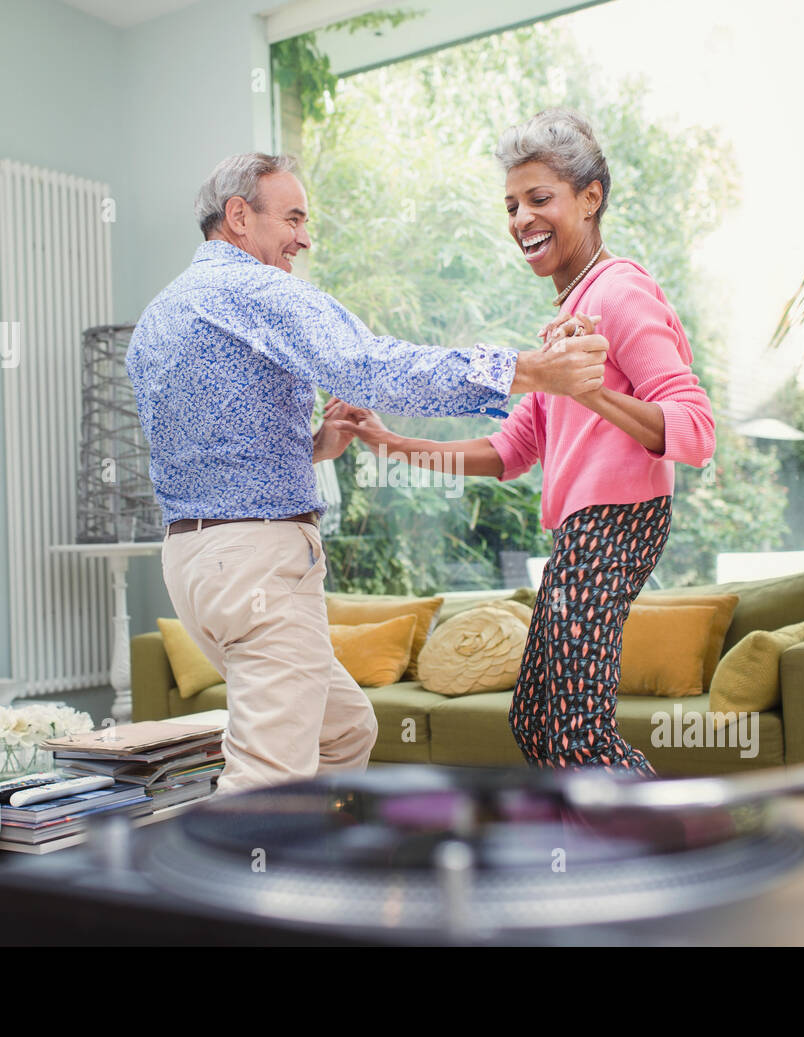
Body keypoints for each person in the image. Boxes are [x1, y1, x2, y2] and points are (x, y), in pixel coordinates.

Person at [126, 151, 613, 797]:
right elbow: (373, 367)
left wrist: (317, 446)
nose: (304, 236)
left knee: (345, 727)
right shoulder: (255, 289)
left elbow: (212, 447)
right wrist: (528, 370)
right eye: (293, 217)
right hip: (256, 560)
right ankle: (235, 888)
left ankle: (310, 873)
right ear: (238, 216)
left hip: (192, 563)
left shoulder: (158, 318)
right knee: (266, 779)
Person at [331, 109, 716, 775]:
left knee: (573, 730)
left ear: (590, 198)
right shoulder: (564, 324)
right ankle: (592, 852)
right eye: (512, 204)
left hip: (616, 522)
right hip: (582, 529)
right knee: (534, 717)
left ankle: (668, 855)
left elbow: (696, 428)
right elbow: (508, 451)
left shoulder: (619, 293)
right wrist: (387, 441)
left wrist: (590, 390)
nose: (521, 218)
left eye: (540, 199)